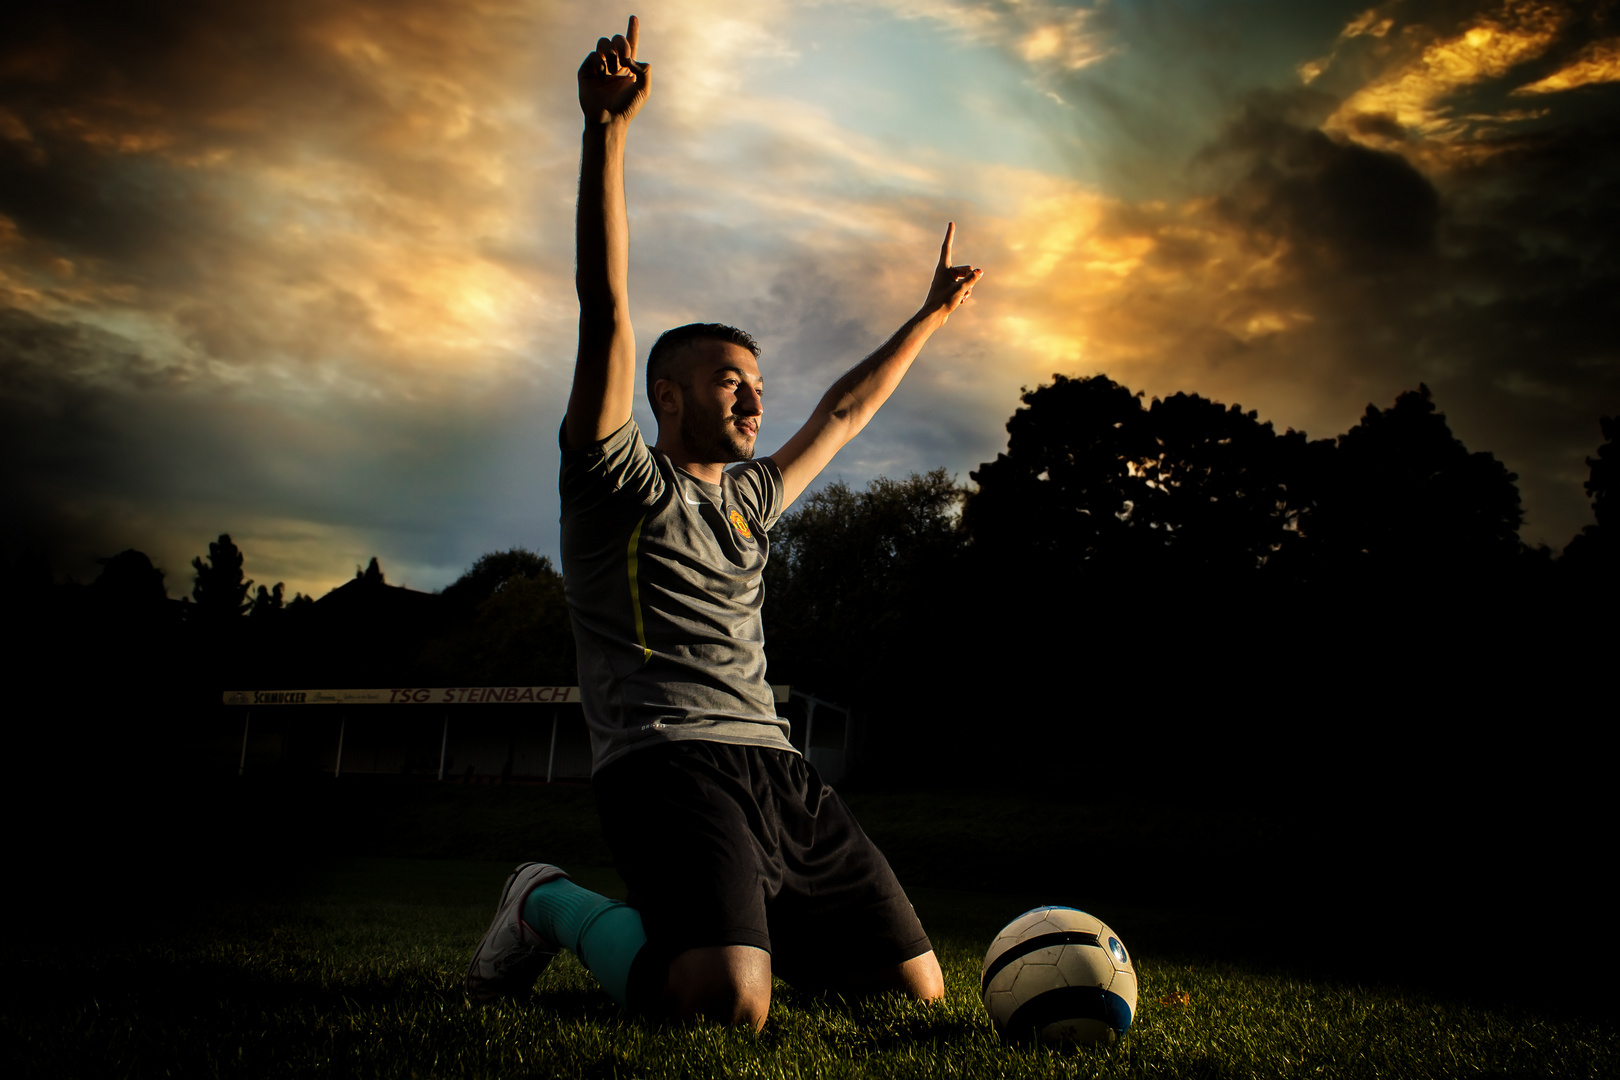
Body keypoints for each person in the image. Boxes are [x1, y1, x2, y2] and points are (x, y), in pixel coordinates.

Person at [466, 15, 983, 1030]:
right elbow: (605, 308)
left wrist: (930, 315)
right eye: (729, 382)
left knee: (913, 996)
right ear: (667, 395)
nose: (753, 400)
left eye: (756, 383)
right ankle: (546, 903)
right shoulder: (612, 477)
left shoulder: (750, 499)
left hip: (778, 770)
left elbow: (838, 412)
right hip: (665, 764)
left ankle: (743, 920)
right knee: (724, 1004)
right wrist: (605, 133)